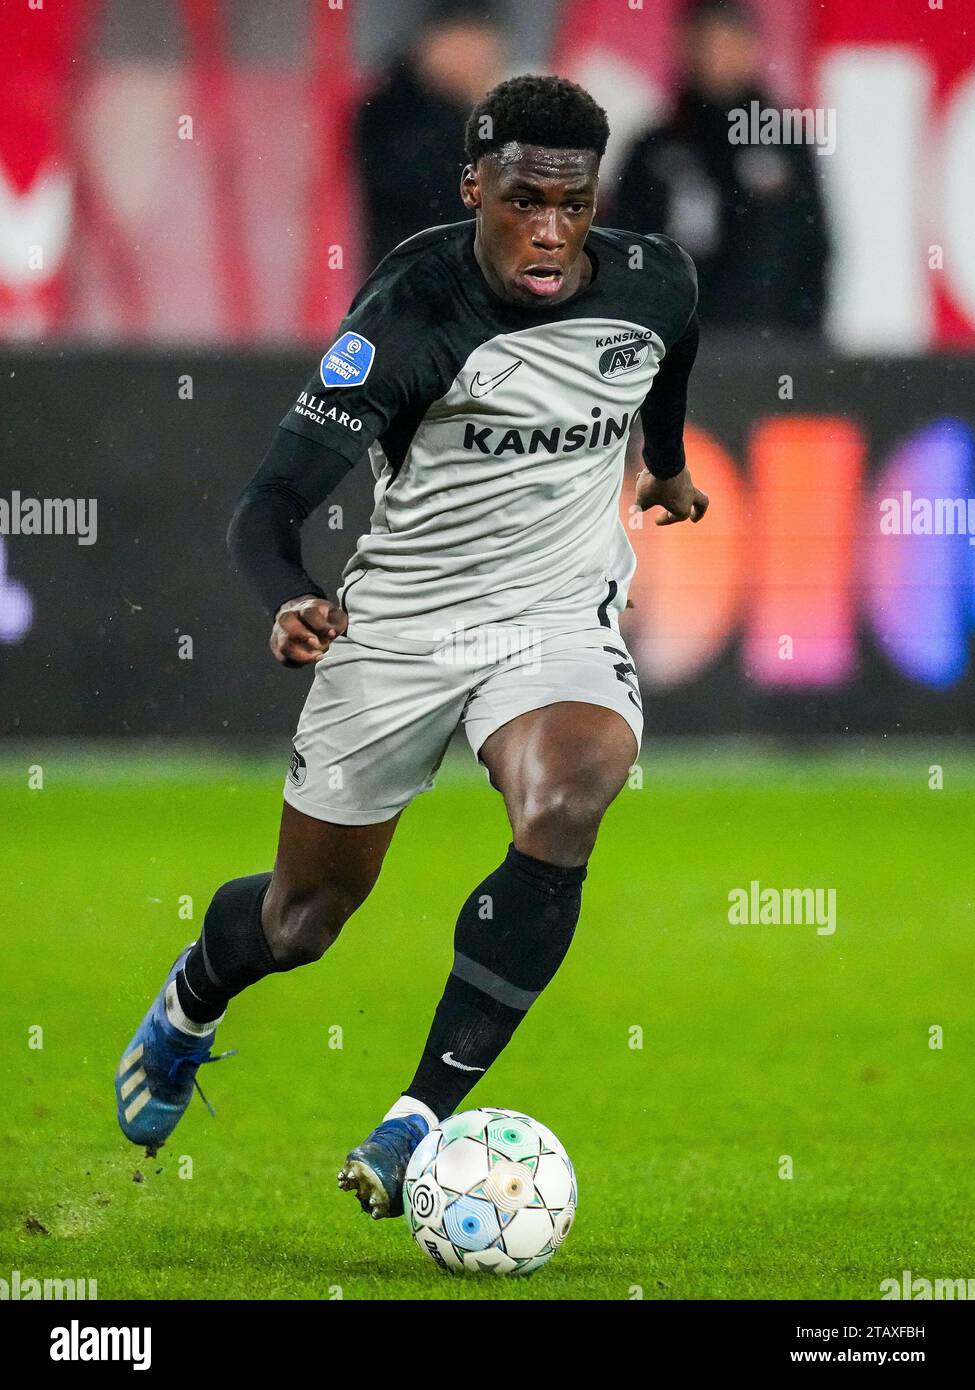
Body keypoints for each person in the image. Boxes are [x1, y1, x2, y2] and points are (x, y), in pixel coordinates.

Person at [115, 74, 708, 1229]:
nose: (549, 230)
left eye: (573, 205)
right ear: (472, 186)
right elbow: (269, 503)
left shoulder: (653, 282)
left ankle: (419, 1114)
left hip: (554, 615)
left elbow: (665, 366)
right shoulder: (410, 311)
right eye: (523, 199)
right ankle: (194, 996)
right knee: (302, 919)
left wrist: (671, 465)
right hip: (400, 631)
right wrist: (289, 596)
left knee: (575, 790)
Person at [615, 0, 829, 336]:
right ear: (684, 48)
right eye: (705, 43)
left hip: (768, 345)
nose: (715, 57)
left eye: (728, 42)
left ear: (752, 48)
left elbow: (813, 250)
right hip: (676, 348)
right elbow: (625, 251)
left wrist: (804, 347)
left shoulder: (785, 146)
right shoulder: (654, 150)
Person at [356, 0, 505, 270]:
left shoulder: (476, 111)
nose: (476, 62)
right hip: (411, 279)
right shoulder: (393, 107)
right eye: (467, 46)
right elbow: (422, 184)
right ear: (435, 42)